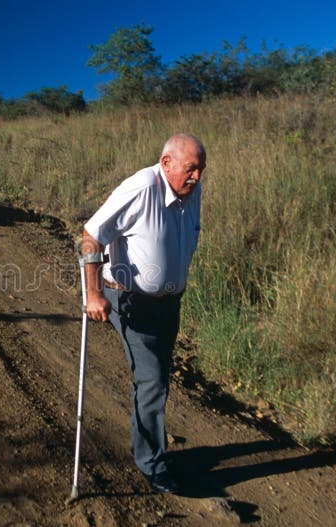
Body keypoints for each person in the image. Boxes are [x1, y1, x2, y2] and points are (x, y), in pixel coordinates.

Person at [81, 133, 206, 494]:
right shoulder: (140, 187)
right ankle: (152, 463)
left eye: (200, 170)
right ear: (166, 163)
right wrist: (92, 293)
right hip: (130, 301)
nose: (197, 177)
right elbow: (91, 236)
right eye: (191, 169)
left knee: (159, 376)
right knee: (152, 380)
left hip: (169, 304)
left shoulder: (191, 191)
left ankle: (149, 446)